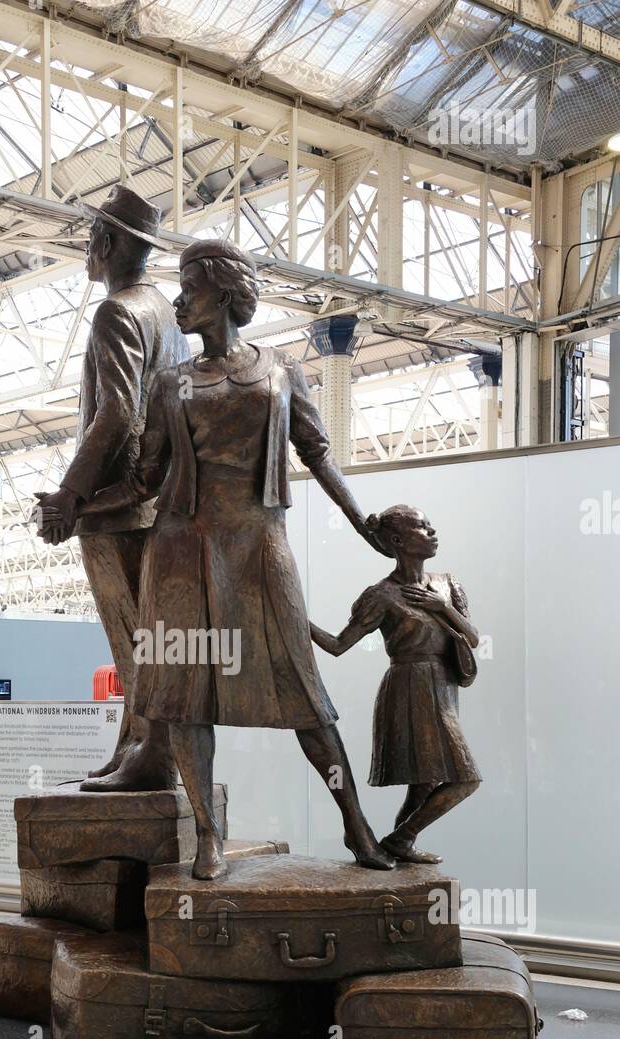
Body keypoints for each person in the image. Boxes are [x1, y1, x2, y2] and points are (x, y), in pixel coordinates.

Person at [71, 239, 394, 879]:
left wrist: (364, 523)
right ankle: (208, 837)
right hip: (180, 555)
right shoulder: (171, 383)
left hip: (258, 548)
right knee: (184, 699)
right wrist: (72, 506)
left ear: (223, 295)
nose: (179, 301)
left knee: (306, 697)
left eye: (189, 288)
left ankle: (358, 829)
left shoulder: (280, 371)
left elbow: (317, 453)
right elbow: (145, 481)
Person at [34, 185, 188, 790]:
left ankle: (152, 757)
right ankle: (134, 745)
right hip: (157, 504)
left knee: (133, 642)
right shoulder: (166, 314)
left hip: (115, 508)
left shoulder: (117, 312)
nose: (86, 247)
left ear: (108, 242)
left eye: (91, 236)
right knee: (150, 639)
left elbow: (117, 413)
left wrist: (70, 497)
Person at [310, 505, 481, 863]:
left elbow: (473, 638)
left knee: (425, 781)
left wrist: (443, 607)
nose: (432, 531)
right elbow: (339, 645)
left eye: (430, 524)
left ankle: (402, 845)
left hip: (444, 684)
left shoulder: (447, 585)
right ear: (398, 541)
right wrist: (296, 620)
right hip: (409, 686)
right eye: (422, 526)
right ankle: (400, 838)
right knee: (465, 778)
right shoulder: (382, 595)